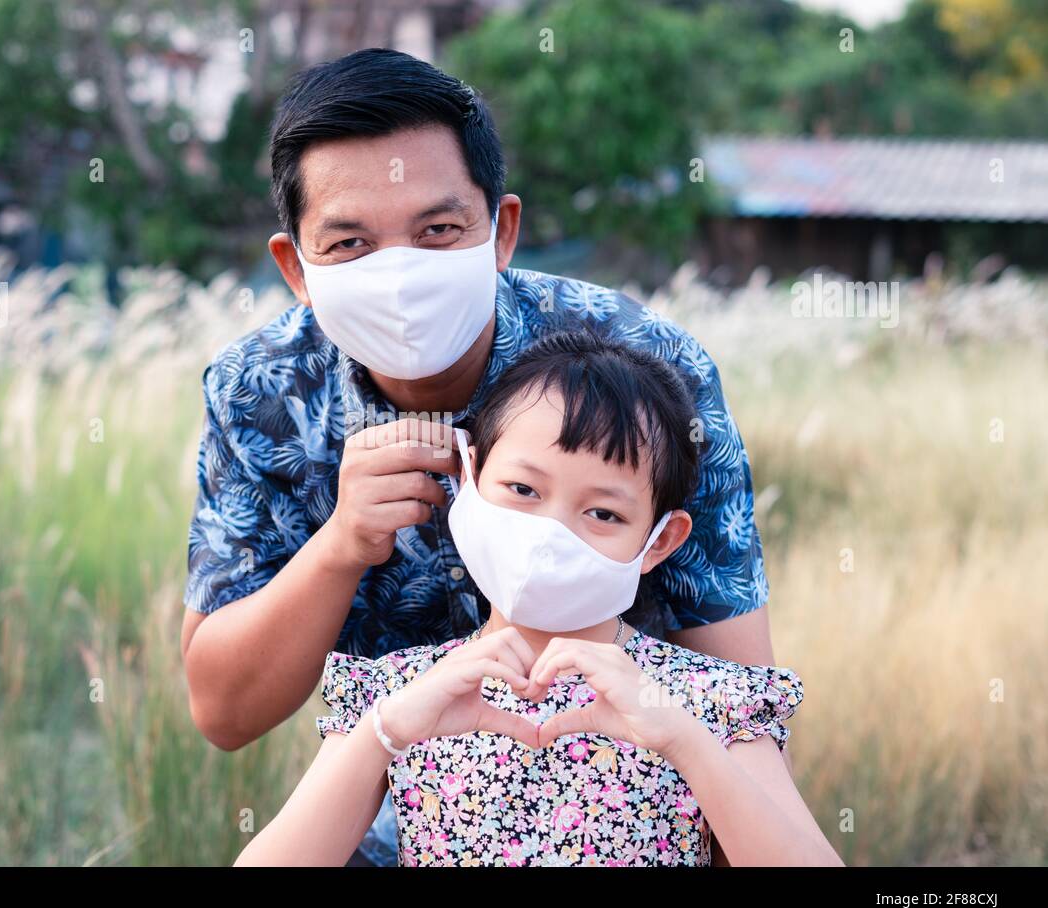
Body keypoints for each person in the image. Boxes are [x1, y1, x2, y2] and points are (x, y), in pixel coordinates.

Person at [183, 48, 782, 866]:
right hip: (396, 807)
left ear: (500, 230)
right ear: (295, 265)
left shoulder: (646, 371)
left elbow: (742, 701)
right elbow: (224, 710)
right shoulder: (263, 393)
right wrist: (341, 547)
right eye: (350, 242)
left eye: (438, 230)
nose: (399, 273)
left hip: (631, 802)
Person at [234, 330, 841, 866]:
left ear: (660, 541)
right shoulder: (402, 696)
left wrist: (686, 742)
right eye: (523, 489)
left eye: (602, 512)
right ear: (468, 477)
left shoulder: (710, 703)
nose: (552, 533)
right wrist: (381, 736)